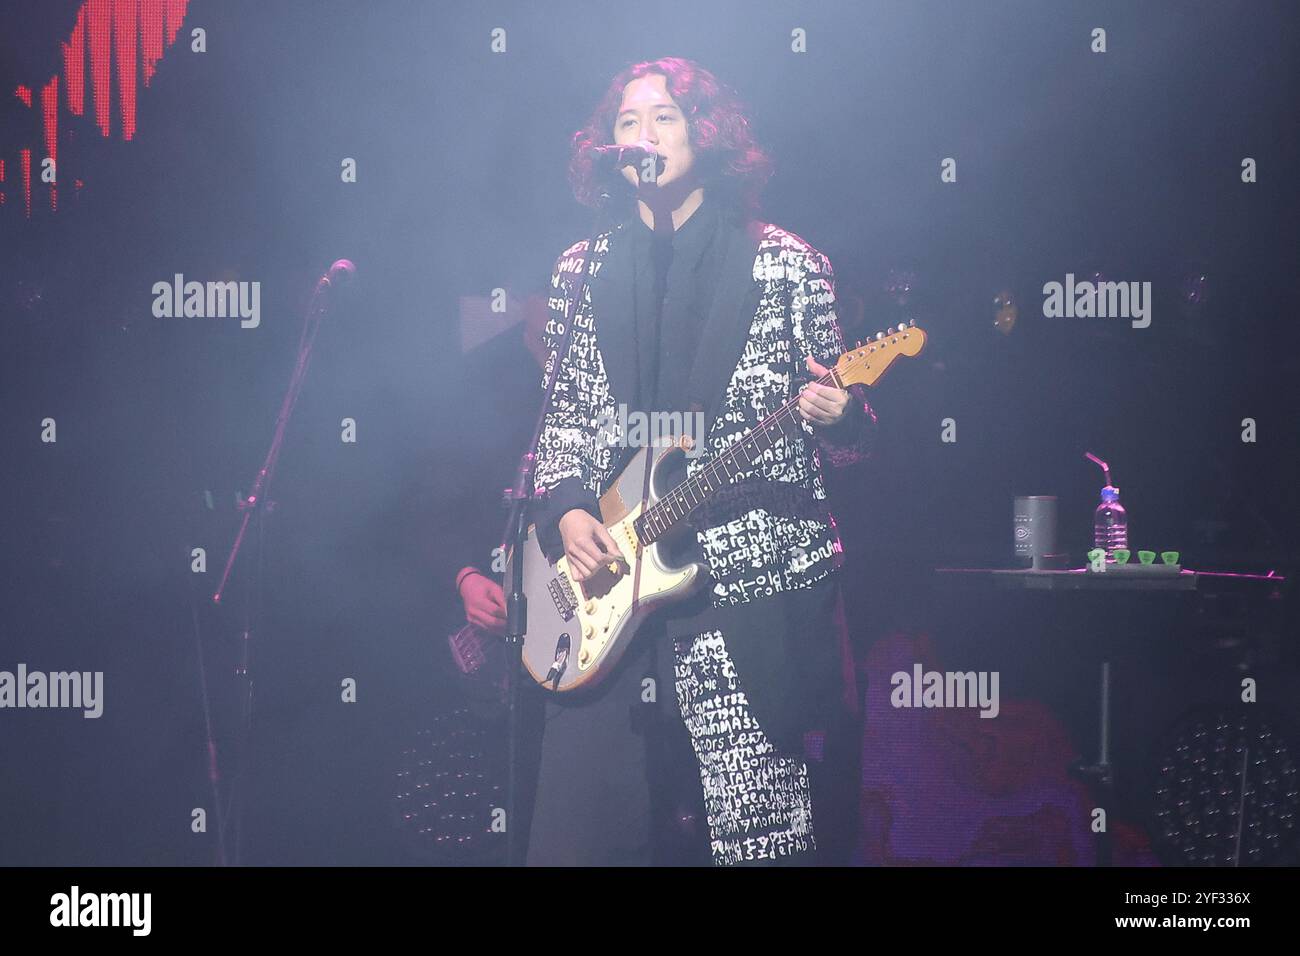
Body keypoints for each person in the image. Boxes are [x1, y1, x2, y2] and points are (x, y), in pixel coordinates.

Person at [525, 56, 875, 866]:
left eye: (664, 118)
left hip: (742, 594)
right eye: (625, 122)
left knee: (759, 840)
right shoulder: (582, 270)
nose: (641, 135)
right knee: (581, 837)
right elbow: (564, 425)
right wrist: (571, 509)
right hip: (609, 594)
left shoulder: (786, 265)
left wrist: (842, 414)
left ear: (706, 135)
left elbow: (851, 444)